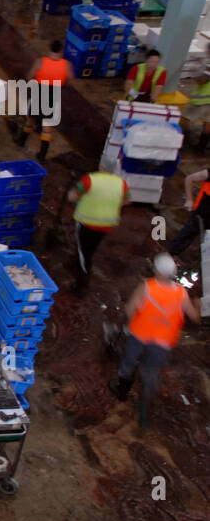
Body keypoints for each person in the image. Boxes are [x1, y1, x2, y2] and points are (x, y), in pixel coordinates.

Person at [106, 253, 199, 428]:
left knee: (129, 363)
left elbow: (130, 310)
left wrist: (129, 320)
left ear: (156, 270)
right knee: (150, 373)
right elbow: (194, 317)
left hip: (140, 335)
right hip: (163, 342)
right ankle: (144, 409)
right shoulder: (181, 292)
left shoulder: (147, 287)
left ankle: (122, 390)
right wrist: (198, 305)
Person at [66, 169, 129, 296]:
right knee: (91, 249)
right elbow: (127, 201)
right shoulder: (121, 183)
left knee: (83, 253)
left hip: (87, 224)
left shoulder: (90, 179)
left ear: (101, 168)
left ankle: (81, 286)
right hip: (106, 225)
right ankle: (82, 264)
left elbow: (72, 196)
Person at [14, 39, 72, 163]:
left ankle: (21, 140)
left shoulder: (40, 62)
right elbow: (70, 79)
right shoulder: (66, 65)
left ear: (49, 48)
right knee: (47, 126)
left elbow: (30, 76)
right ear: (61, 51)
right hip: (53, 95)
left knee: (30, 119)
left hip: (39, 93)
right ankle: (42, 154)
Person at [167, 165, 210, 256]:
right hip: (201, 215)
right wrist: (190, 200)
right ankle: (169, 257)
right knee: (185, 236)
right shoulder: (208, 173)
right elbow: (190, 179)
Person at [179, 67, 210, 154]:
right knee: (208, 123)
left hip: (200, 101)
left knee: (184, 119)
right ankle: (201, 148)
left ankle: (184, 142)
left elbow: (202, 79)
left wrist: (196, 73)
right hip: (204, 100)